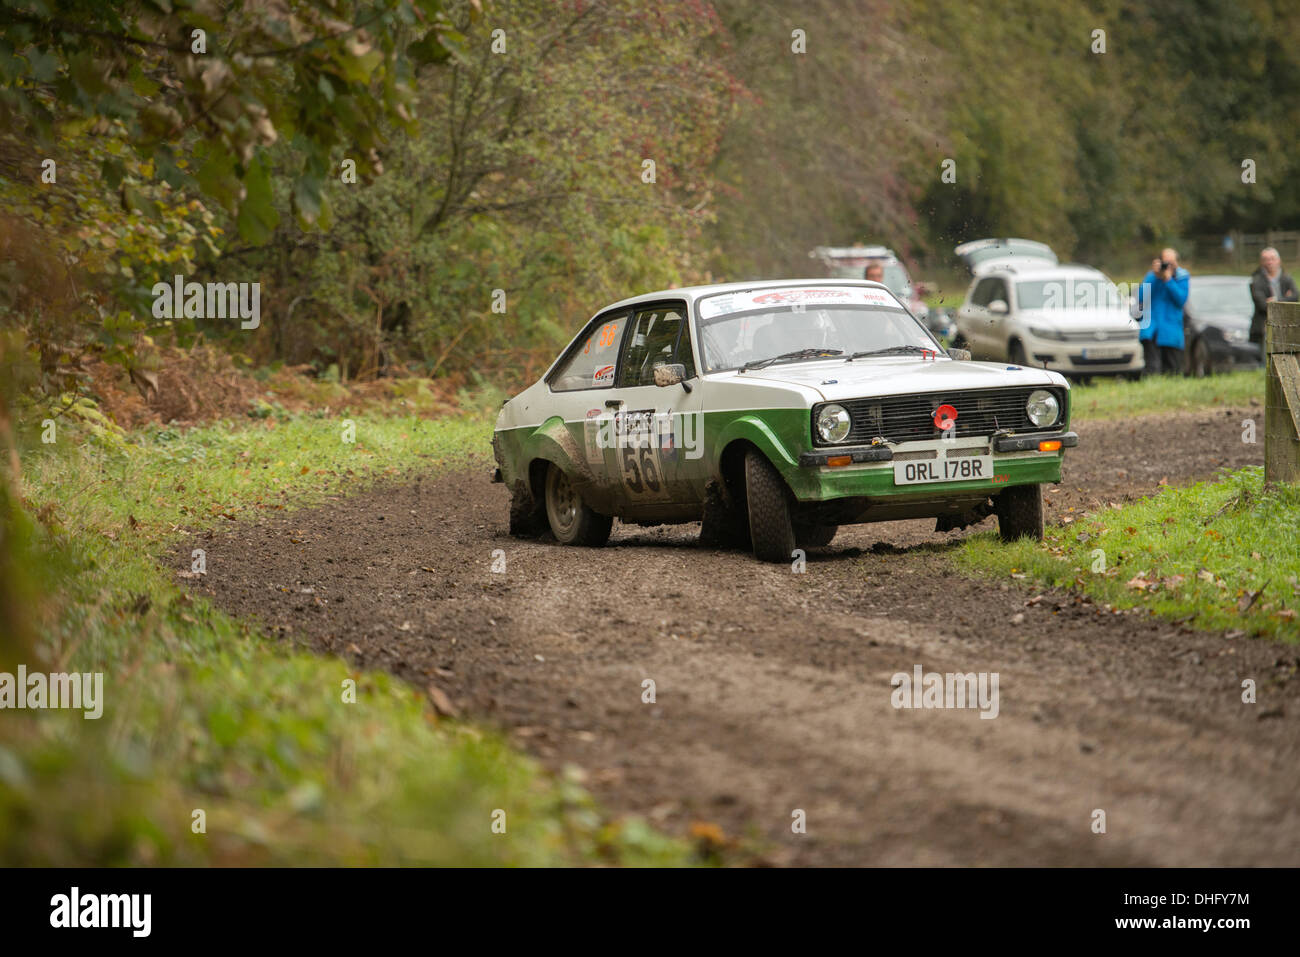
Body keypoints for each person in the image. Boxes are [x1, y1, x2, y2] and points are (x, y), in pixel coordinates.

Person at [1136, 247, 1189, 374]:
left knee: (1172, 368)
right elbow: (1142, 297)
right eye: (1165, 262)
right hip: (1151, 330)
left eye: (1171, 262)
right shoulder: (1151, 276)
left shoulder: (1182, 277)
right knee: (1152, 367)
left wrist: (1168, 280)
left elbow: (1181, 300)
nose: (1168, 266)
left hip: (1171, 331)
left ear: (1176, 263)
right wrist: (1156, 276)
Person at [1248, 246, 1299, 347]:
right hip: (1263, 329)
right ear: (1261, 262)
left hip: (1286, 328)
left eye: (1272, 259)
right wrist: (1286, 300)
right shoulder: (1256, 280)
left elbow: (1295, 297)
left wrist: (1276, 300)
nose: (1269, 262)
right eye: (1266, 259)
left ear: (1279, 260)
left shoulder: (1287, 278)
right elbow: (1262, 305)